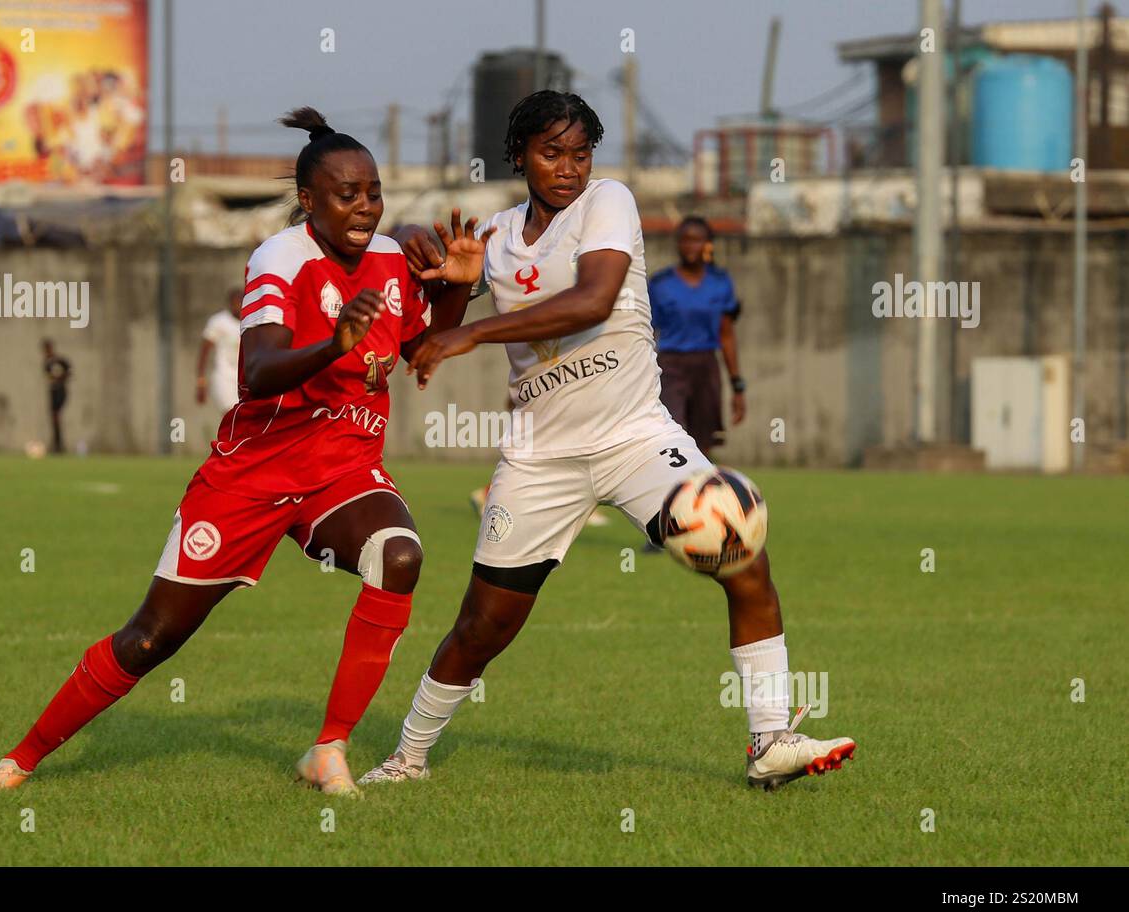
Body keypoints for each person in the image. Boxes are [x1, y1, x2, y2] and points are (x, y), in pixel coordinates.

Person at [360, 91, 855, 792]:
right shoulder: (496, 236)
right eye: (550, 152)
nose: (568, 168)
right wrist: (434, 256)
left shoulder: (608, 203)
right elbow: (432, 325)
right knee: (483, 628)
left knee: (745, 560)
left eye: (580, 153)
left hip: (636, 437)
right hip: (539, 458)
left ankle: (770, 739)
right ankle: (408, 758)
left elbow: (593, 299)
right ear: (519, 156)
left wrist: (472, 331)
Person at [0, 107, 478, 797]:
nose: (365, 207)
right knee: (152, 638)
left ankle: (328, 750)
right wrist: (331, 346)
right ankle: (23, 756)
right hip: (253, 472)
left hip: (341, 467)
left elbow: (417, 347)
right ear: (308, 201)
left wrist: (456, 286)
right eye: (346, 194)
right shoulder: (280, 258)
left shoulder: (392, 259)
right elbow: (257, 369)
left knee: (399, 557)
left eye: (373, 192)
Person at [648, 216, 745, 454]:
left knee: (704, 442)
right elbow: (647, 332)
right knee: (673, 436)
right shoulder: (661, 283)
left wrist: (737, 385)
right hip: (671, 366)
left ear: (708, 244)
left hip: (706, 366)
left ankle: (701, 489)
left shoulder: (720, 283)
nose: (690, 246)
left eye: (696, 240)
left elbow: (726, 334)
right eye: (685, 240)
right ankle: (673, 489)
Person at [196, 287, 244, 414]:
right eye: (235, 302)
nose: (238, 306)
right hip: (224, 376)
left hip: (245, 379)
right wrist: (201, 382)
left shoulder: (251, 322)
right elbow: (204, 351)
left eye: (241, 302)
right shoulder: (219, 322)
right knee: (230, 415)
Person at [41, 339, 72, 454]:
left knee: (56, 417)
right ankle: (57, 444)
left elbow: (69, 372)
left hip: (60, 391)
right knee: (54, 418)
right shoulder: (46, 362)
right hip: (52, 391)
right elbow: (47, 377)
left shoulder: (60, 360)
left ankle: (59, 444)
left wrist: (60, 379)